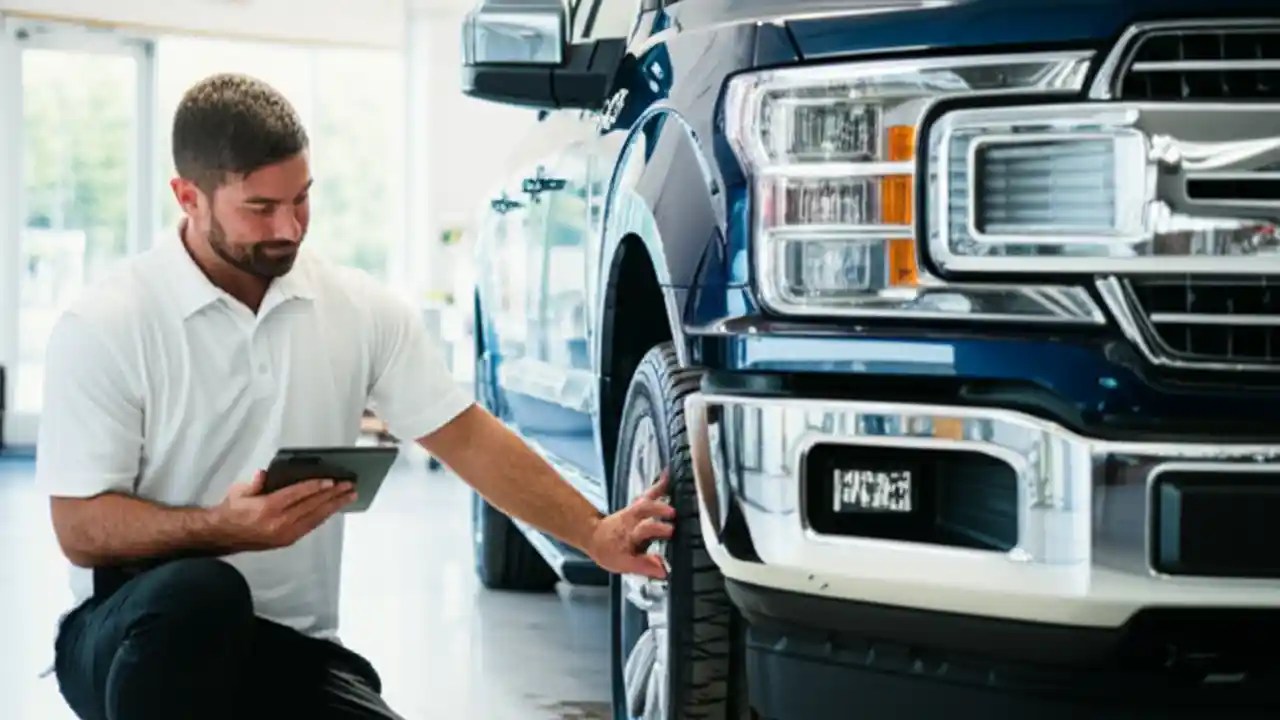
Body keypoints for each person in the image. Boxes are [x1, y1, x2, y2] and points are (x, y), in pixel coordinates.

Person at [36, 73, 674, 720]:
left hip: (287, 648)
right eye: (260, 208)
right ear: (188, 197)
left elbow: (466, 436)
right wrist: (219, 530)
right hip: (132, 637)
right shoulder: (109, 324)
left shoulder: (355, 308)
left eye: (302, 199)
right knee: (202, 593)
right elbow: (80, 528)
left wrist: (595, 533)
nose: (289, 226)